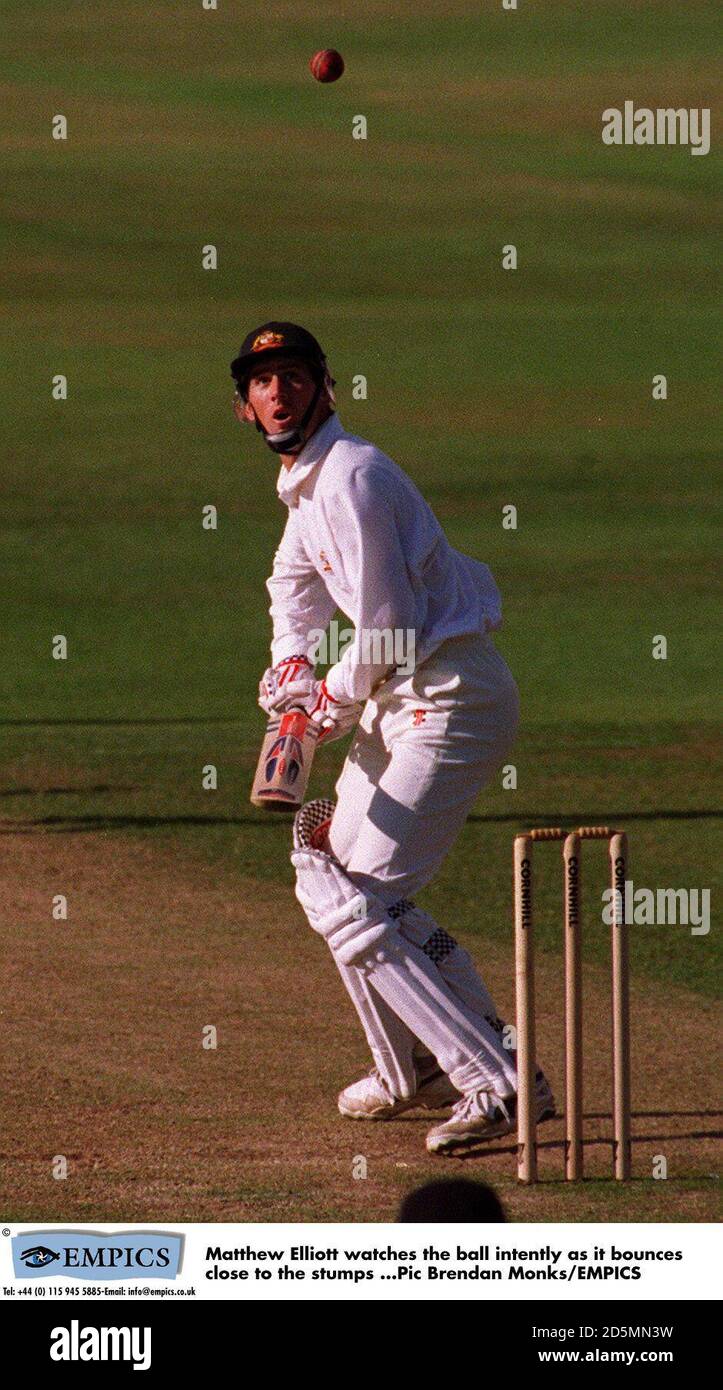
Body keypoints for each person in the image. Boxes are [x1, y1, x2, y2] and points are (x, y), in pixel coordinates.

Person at [230, 321, 554, 1154]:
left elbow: (388, 627)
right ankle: (415, 1068)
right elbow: (291, 585)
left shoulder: (352, 475)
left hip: (447, 700)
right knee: (329, 873)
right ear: (244, 408)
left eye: (294, 376)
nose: (279, 391)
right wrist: (290, 667)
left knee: (359, 899)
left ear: (325, 388)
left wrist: (323, 705)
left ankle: (496, 1082)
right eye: (263, 381)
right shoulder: (305, 485)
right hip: (400, 702)